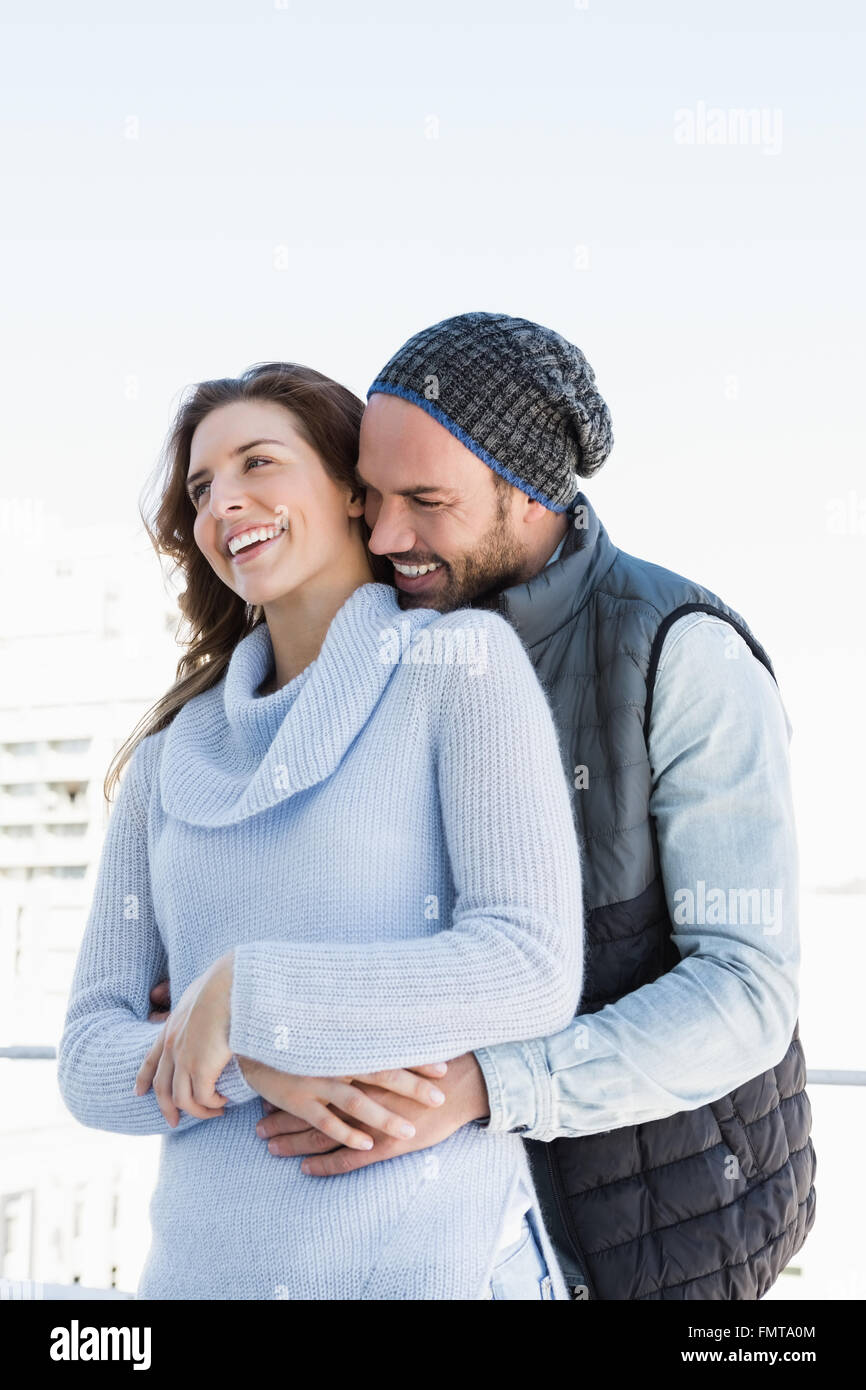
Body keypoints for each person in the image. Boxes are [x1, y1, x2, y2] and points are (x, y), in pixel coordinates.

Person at [236, 312, 816, 1301]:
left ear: (533, 492)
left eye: (425, 500)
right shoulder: (378, 639)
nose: (383, 536)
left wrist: (486, 1085)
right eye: (370, 498)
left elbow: (745, 991)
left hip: (649, 1245)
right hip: (431, 1238)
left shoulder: (680, 655)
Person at [56, 360, 586, 1301]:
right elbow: (90, 1062)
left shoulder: (457, 667)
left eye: (259, 463)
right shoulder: (169, 759)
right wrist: (254, 1056)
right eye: (202, 487)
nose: (226, 501)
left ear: (350, 490)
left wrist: (251, 991)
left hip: (437, 1273)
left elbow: (530, 965)